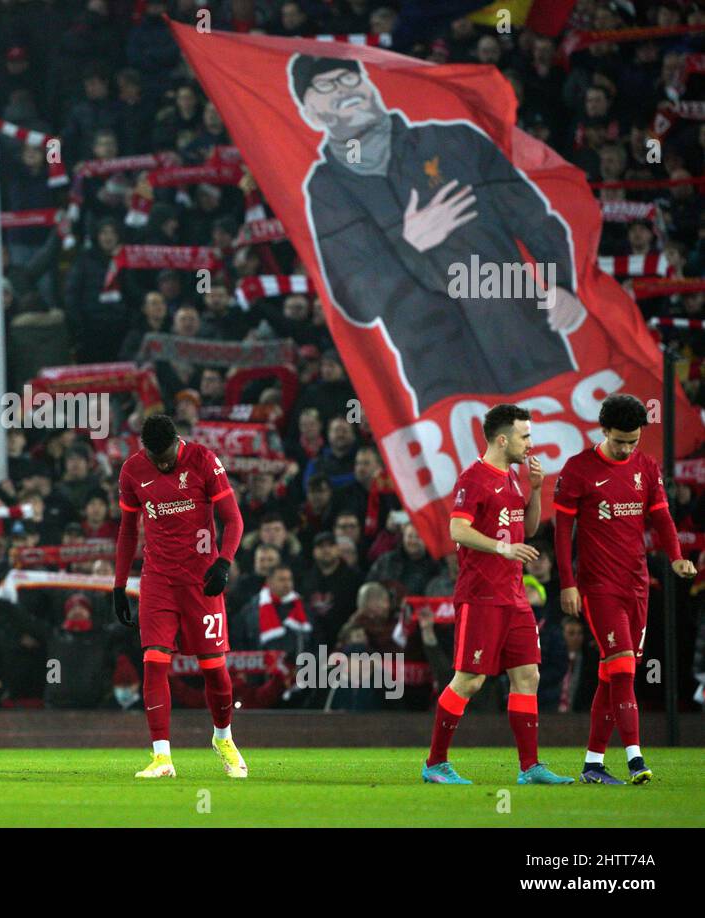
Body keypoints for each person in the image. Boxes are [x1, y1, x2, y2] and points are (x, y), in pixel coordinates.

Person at [292, 55, 586, 415]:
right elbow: (357, 300)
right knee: (477, 473)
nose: (343, 87)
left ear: (370, 88)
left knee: (566, 465)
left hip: (525, 340)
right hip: (444, 377)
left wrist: (560, 283)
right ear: (310, 112)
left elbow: (534, 218)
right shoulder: (327, 192)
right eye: (325, 85)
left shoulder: (454, 142)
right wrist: (408, 244)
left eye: (350, 78)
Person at [422, 404, 573, 786]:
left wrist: (537, 490)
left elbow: (530, 526)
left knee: (527, 676)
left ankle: (530, 767)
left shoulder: (513, 478)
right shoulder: (473, 478)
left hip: (515, 596)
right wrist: (502, 549)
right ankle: (435, 763)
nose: (530, 443)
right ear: (502, 439)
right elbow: (457, 530)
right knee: (470, 680)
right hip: (481, 595)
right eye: (525, 436)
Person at [553, 394, 697, 784]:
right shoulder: (578, 470)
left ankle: (593, 765)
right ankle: (635, 758)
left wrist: (676, 557)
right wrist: (568, 584)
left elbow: (662, 517)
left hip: (637, 585)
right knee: (622, 665)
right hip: (598, 586)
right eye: (619, 441)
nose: (626, 449)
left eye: (633, 441)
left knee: (611, 675)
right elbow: (563, 534)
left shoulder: (646, 467)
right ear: (603, 431)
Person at [113, 413, 247, 779]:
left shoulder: (203, 459)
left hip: (201, 579)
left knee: (213, 669)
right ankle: (161, 757)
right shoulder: (132, 471)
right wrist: (119, 585)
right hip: (157, 580)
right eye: (156, 459)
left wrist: (224, 563)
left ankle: (223, 737)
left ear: (178, 441)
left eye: (168, 456)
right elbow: (127, 531)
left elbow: (233, 519)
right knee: (154, 660)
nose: (164, 463)